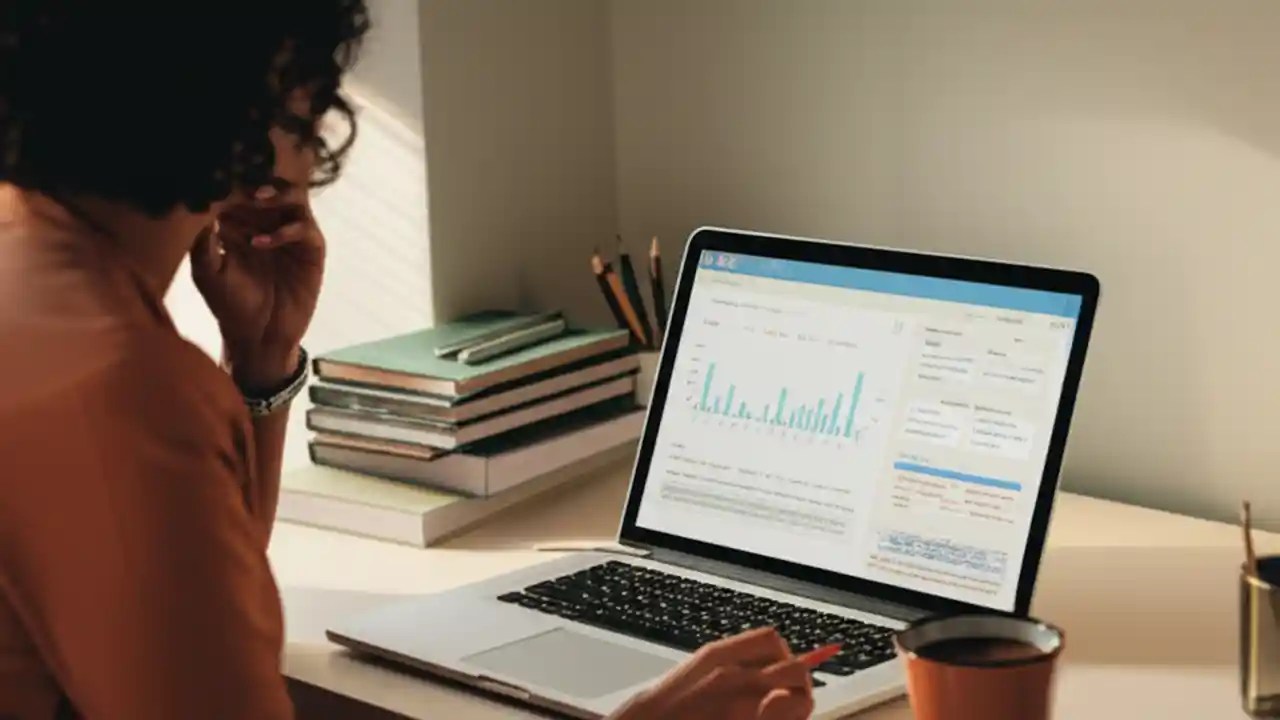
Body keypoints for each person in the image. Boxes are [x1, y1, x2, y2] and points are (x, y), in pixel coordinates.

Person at [0, 3, 816, 719]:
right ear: (242, 92)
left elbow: (193, 619)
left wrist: (263, 363)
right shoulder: (122, 384)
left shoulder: (34, 279)